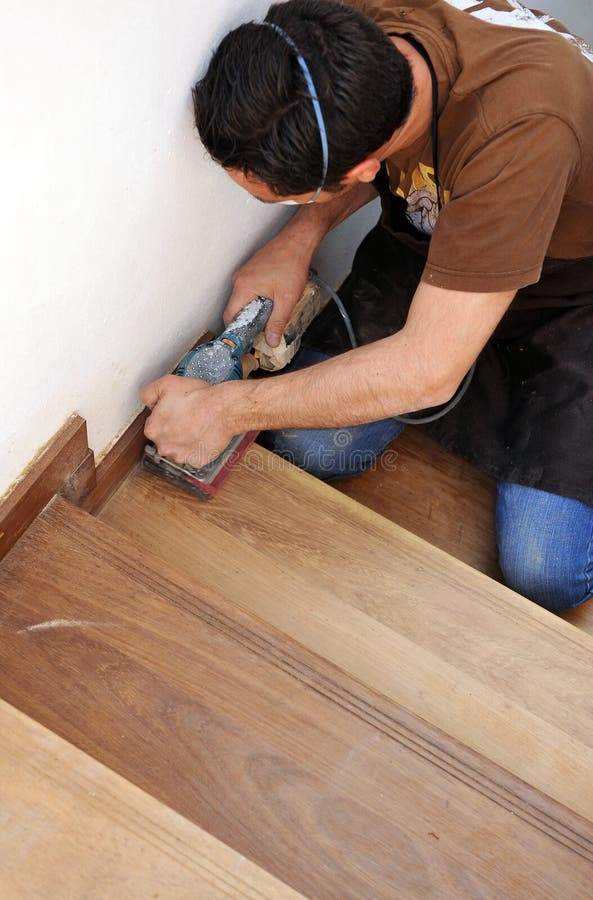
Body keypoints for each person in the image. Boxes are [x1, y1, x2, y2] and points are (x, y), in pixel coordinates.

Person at [141, 0, 593, 613]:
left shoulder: (525, 125)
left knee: (546, 569)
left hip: (575, 288)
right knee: (310, 446)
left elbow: (430, 368)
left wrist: (224, 409)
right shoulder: (329, 30)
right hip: (446, 235)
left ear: (365, 169)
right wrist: (295, 239)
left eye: (288, 197)